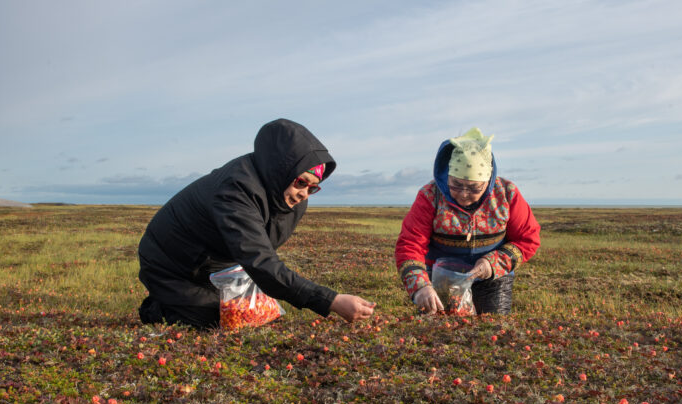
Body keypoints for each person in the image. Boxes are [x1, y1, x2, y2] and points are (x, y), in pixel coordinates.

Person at [138, 118, 375, 329]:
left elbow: (260, 253)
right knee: (215, 319)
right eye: (301, 182)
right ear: (280, 169)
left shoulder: (290, 199)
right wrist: (330, 300)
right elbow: (260, 261)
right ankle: (159, 306)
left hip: (217, 265)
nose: (305, 193)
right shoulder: (236, 190)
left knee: (251, 315)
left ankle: (197, 297)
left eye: (313, 187)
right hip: (172, 265)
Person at [395, 127, 540, 315]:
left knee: (492, 330)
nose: (463, 194)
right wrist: (420, 287)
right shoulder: (430, 196)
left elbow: (528, 238)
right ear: (447, 176)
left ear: (488, 181)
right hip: (441, 279)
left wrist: (493, 263)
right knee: (437, 335)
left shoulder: (506, 193)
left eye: (474, 188)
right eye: (456, 185)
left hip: (493, 279)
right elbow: (410, 244)